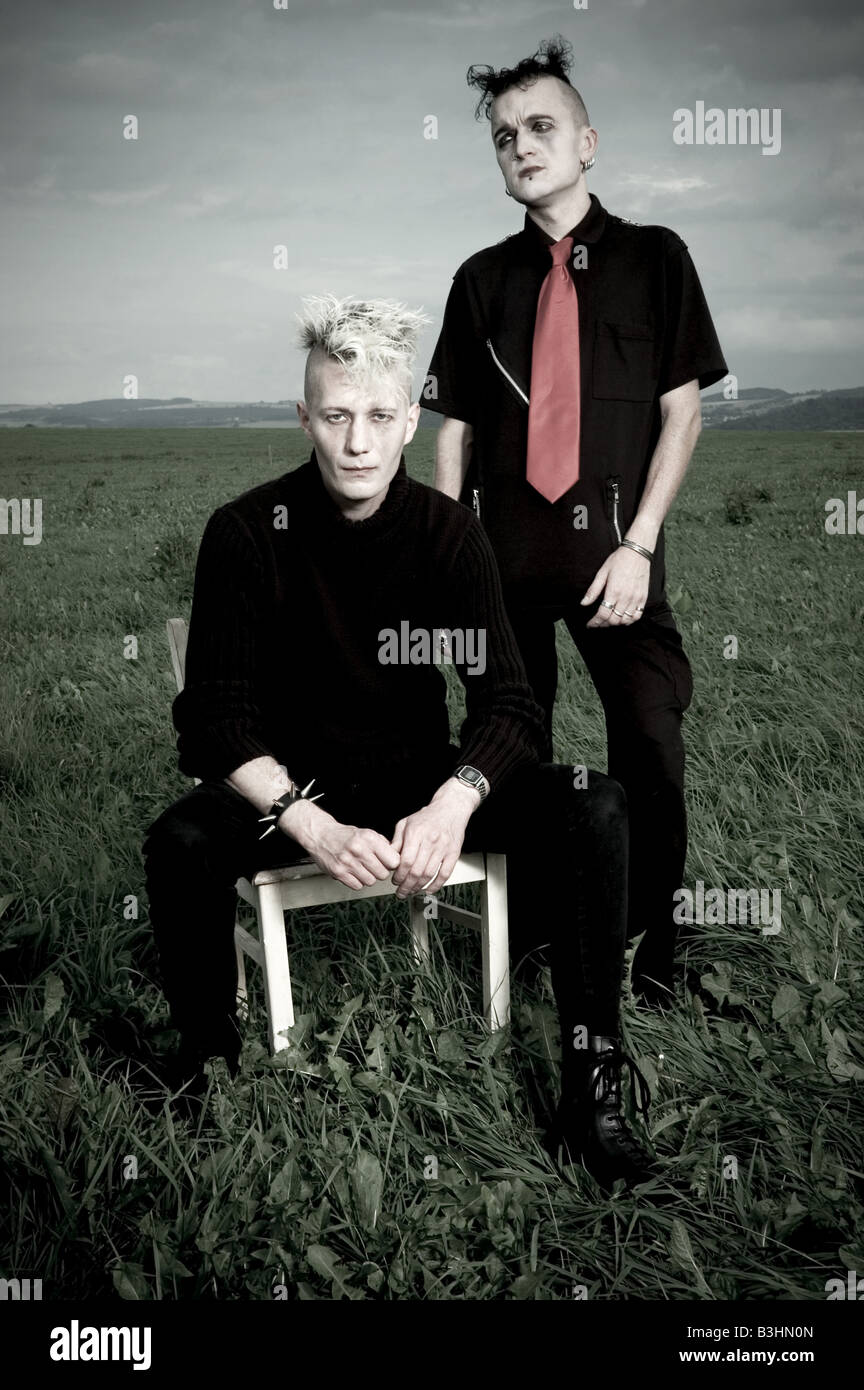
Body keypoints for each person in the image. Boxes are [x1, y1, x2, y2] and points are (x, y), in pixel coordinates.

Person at [142, 294, 654, 1187]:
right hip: (291, 796)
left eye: (379, 417)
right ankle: (207, 1071)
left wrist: (454, 800)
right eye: (336, 416)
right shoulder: (245, 533)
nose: (357, 443)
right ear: (305, 416)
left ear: (410, 420)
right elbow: (212, 721)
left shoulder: (451, 536)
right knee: (180, 840)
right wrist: (310, 822)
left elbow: (510, 705)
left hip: (419, 788)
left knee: (596, 804)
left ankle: (593, 1084)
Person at [421, 36, 729, 1006]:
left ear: (587, 141)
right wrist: (451, 550)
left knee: (650, 743)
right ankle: (538, 944)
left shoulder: (655, 258)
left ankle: (660, 952)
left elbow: (682, 413)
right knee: (516, 758)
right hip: (503, 563)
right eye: (505, 135)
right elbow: (455, 435)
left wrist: (638, 543)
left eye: (541, 125)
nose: (521, 144)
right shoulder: (480, 279)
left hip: (617, 563)